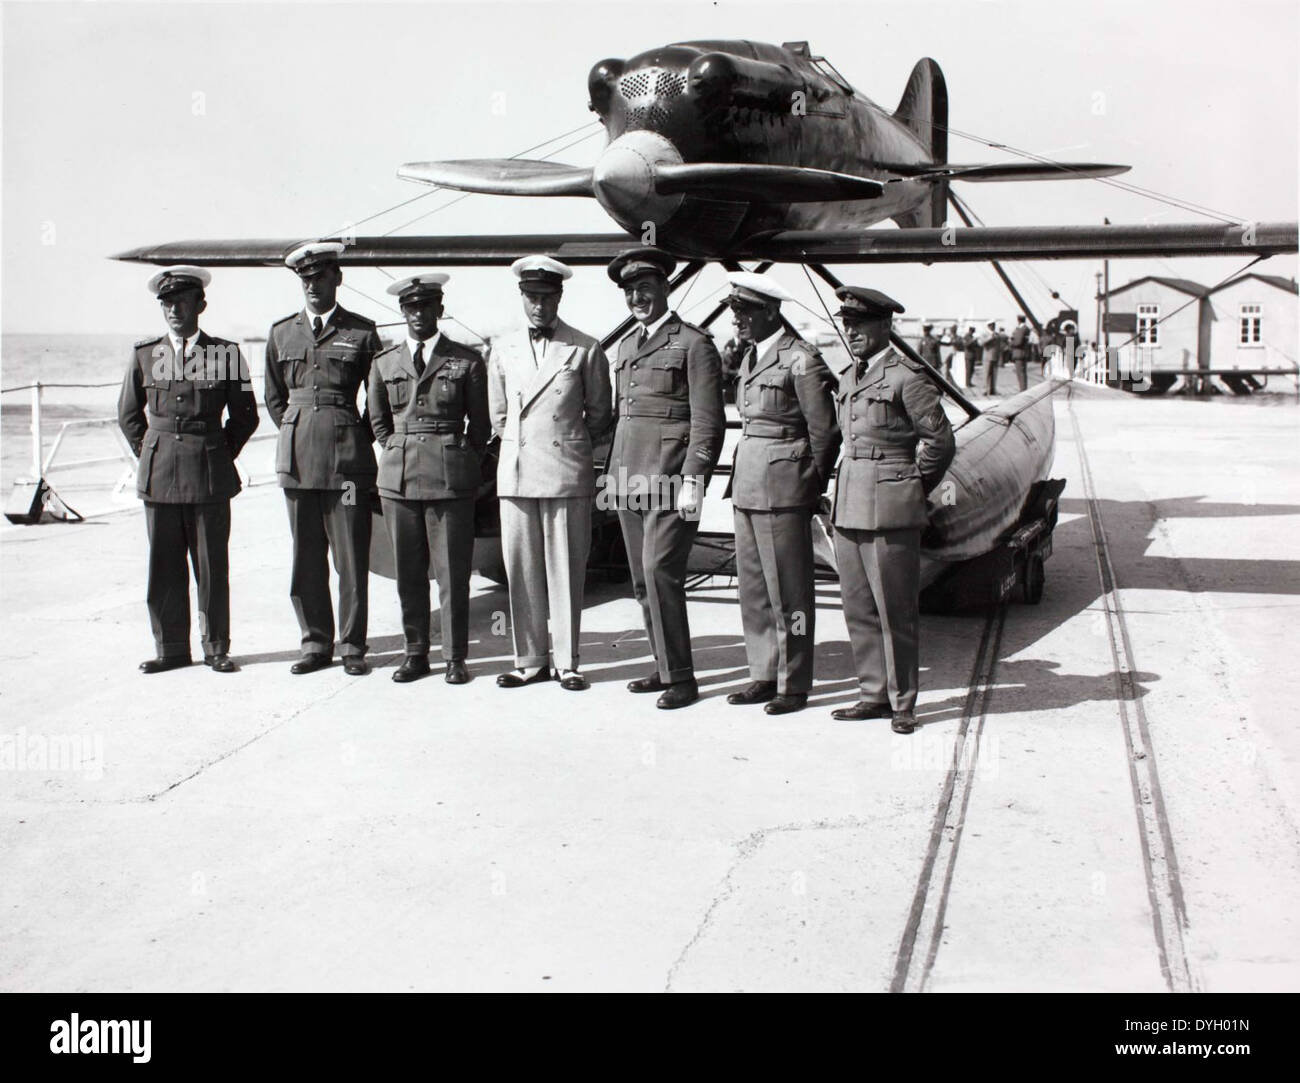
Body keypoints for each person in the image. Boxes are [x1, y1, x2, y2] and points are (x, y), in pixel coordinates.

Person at [118, 266, 259, 674]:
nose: (173, 310)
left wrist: (217, 452)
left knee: (212, 565)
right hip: (159, 474)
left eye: (182, 301)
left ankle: (216, 647)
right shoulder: (145, 354)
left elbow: (246, 415)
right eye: (166, 303)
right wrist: (151, 452)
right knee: (163, 565)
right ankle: (172, 649)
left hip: (209, 474)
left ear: (201, 305)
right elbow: (128, 414)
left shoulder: (226, 354)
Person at [828, 286, 955, 734]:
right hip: (849, 505)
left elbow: (939, 442)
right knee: (858, 608)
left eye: (860, 325)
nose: (852, 333)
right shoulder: (848, 377)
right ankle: (872, 694)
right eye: (847, 326)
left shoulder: (908, 377)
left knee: (894, 609)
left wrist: (910, 485)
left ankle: (903, 703)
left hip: (890, 507)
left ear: (884, 327)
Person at [604, 247, 725, 710]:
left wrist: (695, 480)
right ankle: (662, 666)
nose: (638, 297)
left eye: (646, 288)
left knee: (661, 573)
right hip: (627, 479)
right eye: (631, 291)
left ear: (665, 288)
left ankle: (682, 677)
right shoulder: (627, 345)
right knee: (641, 580)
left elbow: (707, 421)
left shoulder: (693, 344)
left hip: (671, 478)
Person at [488, 255, 612, 692]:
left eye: (548, 296)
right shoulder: (502, 348)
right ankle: (529, 660)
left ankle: (568, 661)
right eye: (532, 297)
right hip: (518, 472)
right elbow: (499, 417)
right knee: (520, 569)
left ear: (560, 296)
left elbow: (600, 415)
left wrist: (568, 449)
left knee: (565, 569)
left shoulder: (585, 347)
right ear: (522, 298)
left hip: (564, 471)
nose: (540, 305)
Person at [263, 242, 383, 676]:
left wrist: (353, 433)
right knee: (306, 557)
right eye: (305, 279)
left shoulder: (363, 333)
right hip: (297, 462)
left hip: (348, 466)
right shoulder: (282, 332)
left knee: (351, 557)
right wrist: (299, 430)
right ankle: (315, 643)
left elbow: (380, 399)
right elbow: (274, 398)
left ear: (337, 279)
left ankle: (352, 646)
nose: (312, 286)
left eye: (320, 277)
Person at [723, 273, 840, 715]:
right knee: (753, 589)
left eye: (745, 312)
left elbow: (825, 433)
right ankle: (763, 672)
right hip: (748, 485)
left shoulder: (800, 360)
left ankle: (793, 682)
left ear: (770, 312)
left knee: (790, 592)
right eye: (735, 312)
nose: (737, 321)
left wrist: (809, 485)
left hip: (784, 489)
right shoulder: (753, 357)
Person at [368, 273, 490, 685]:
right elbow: (379, 423)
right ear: (402, 313)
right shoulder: (384, 363)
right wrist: (397, 449)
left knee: (454, 571)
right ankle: (416, 652)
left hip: (450, 478)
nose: (418, 314)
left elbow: (481, 426)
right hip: (399, 480)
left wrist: (456, 456)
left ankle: (455, 657)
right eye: (411, 308)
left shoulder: (466, 360)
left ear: (439, 310)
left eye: (426, 307)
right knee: (409, 570)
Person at [1009, 314, 1030, 392]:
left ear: (1018, 320)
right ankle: (1023, 388)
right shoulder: (1026, 328)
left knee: (1020, 373)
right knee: (1022, 372)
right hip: (1022, 353)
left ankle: (1023, 389)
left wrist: (1011, 342)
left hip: (1019, 353)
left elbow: (1018, 342)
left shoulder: (1021, 329)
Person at [980, 321, 1000, 394]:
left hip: (995, 356)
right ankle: (985, 390)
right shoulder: (984, 334)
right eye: (991, 325)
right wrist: (990, 338)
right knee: (986, 374)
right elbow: (981, 343)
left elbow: (999, 345)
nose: (993, 326)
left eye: (994, 325)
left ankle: (993, 390)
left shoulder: (997, 334)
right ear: (988, 326)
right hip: (987, 356)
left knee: (994, 374)